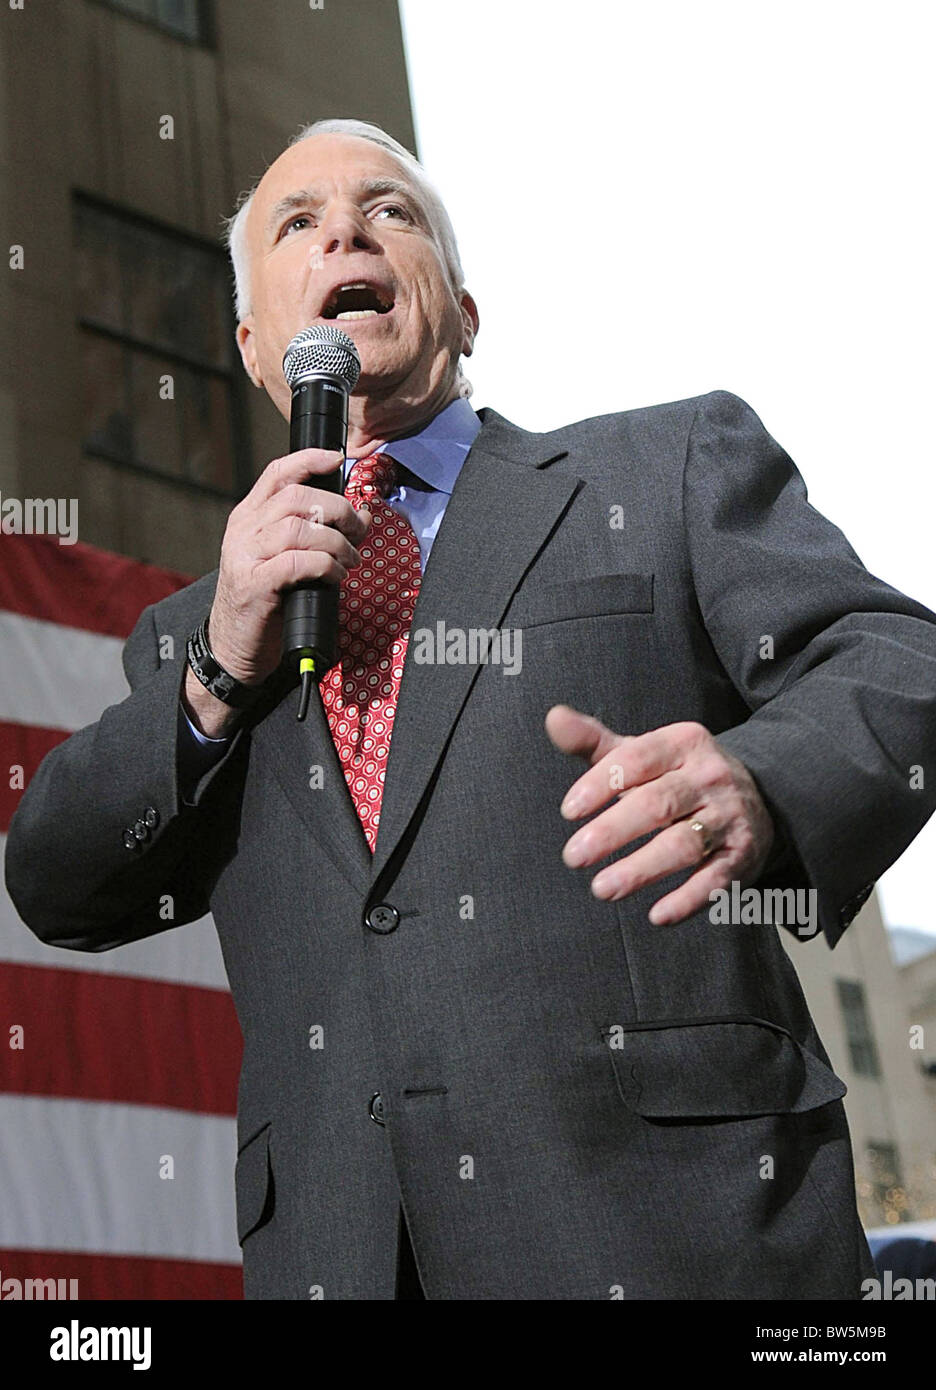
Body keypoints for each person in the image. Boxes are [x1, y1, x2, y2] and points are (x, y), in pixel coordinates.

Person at [6, 118, 936, 1301]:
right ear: (253, 347)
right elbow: (56, 883)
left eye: (390, 209)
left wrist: (761, 777)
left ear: (466, 309)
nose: (345, 227)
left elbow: (898, 659)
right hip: (349, 1258)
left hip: (673, 1240)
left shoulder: (661, 470)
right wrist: (216, 671)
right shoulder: (198, 631)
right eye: (298, 222)